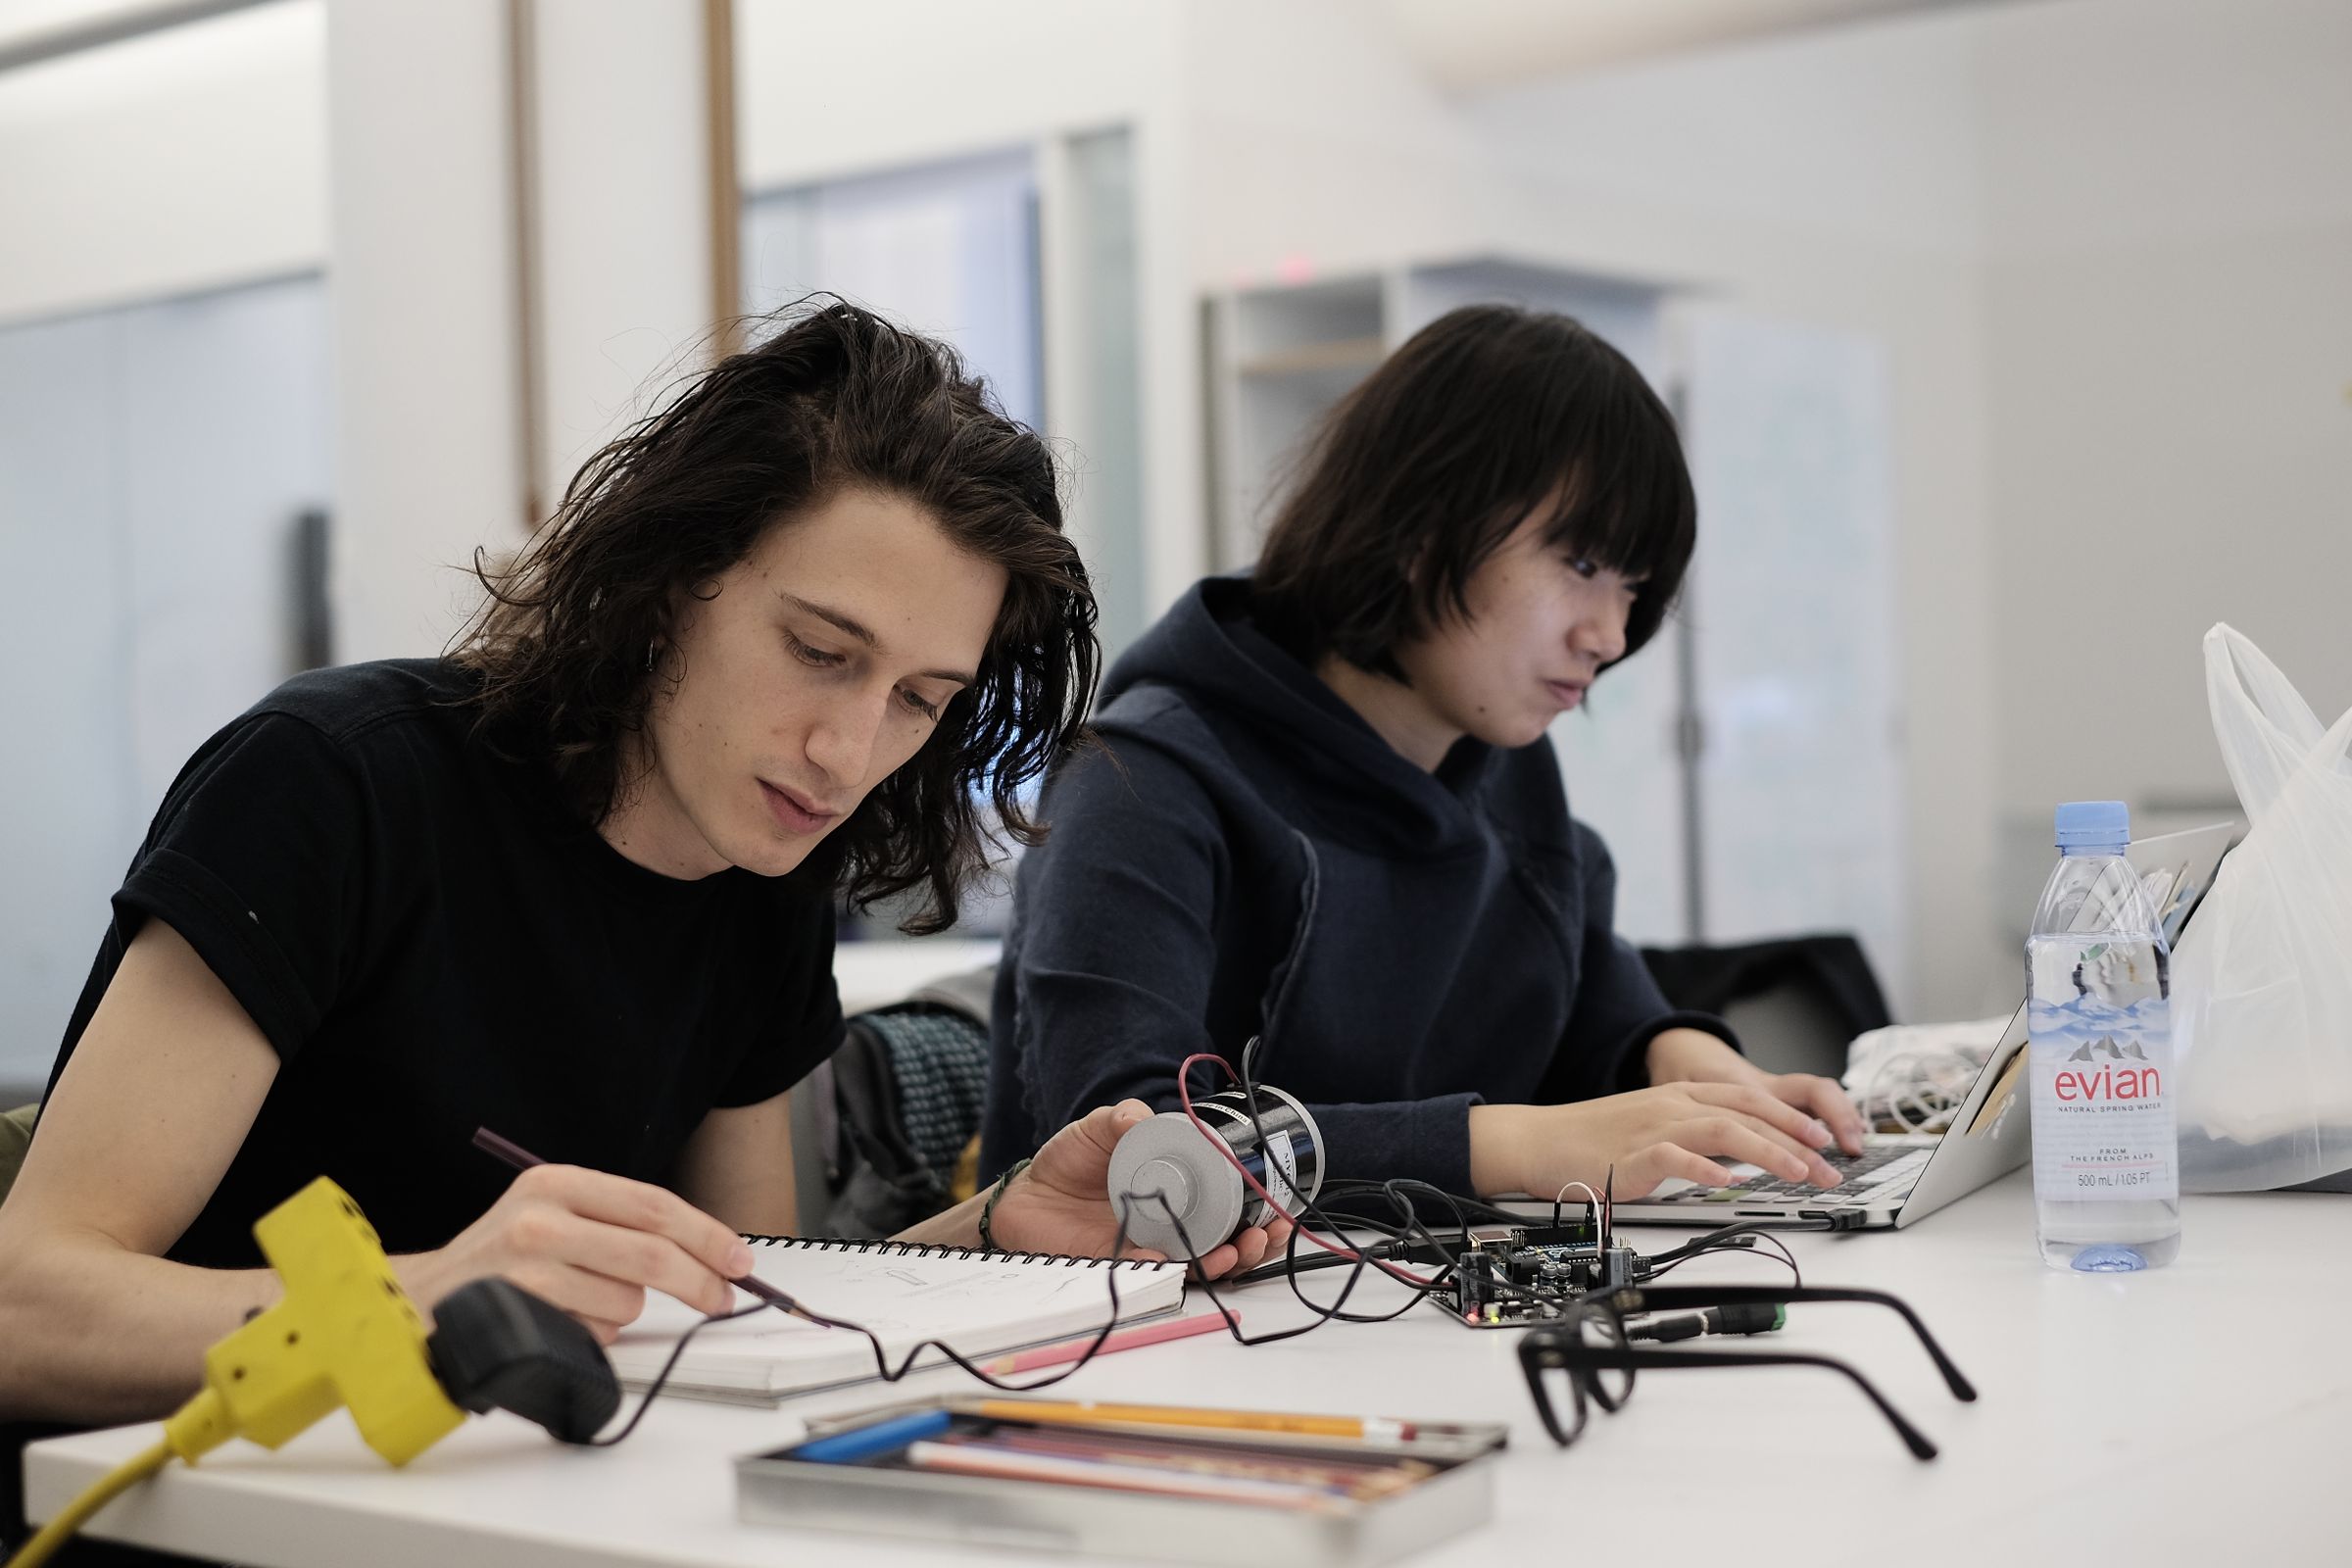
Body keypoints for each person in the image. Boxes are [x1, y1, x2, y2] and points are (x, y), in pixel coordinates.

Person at [0, 302, 1282, 1466]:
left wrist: (999, 1235)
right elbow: (28, 1306)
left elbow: (740, 1298)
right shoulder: (336, 787)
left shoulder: (765, 872)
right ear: (672, 577)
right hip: (202, 1508)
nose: (850, 752)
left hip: (495, 1505)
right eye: (820, 651)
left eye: (917, 702)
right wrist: (442, 1291)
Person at [982, 304, 1869, 1207]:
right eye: (1582, 565)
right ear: (1420, 532)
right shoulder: (1140, 783)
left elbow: (1593, 996)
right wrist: (1512, 1142)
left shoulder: (1501, 767)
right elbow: (1126, 1161)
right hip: (1150, 1340)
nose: (1611, 632)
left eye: (1635, 587)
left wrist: (1703, 1076)